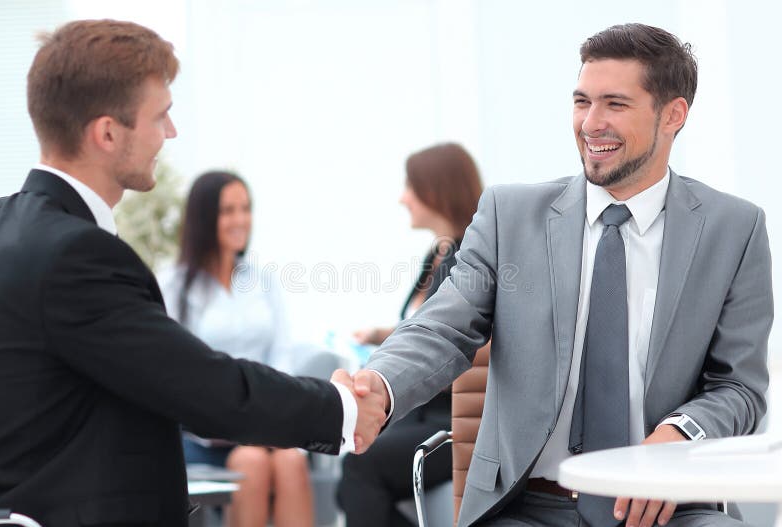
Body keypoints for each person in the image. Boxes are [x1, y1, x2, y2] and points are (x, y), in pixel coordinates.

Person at [341, 23, 772, 527]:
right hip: (531, 508)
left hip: (668, 506)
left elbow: (739, 386)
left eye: (615, 104)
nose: (591, 123)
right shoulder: (509, 216)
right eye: (581, 102)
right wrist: (379, 384)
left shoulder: (734, 229)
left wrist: (679, 434)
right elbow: (442, 327)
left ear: (673, 115)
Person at [0, 19, 386, 527]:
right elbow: (201, 385)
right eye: (160, 116)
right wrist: (341, 409)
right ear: (107, 133)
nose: (170, 132)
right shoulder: (75, 253)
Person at [338, 143, 484, 527]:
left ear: (434, 190)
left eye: (409, 186)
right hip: (419, 411)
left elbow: (459, 341)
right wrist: (379, 335)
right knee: (350, 468)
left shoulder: (468, 260)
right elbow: (433, 327)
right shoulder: (438, 254)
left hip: (451, 419)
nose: (402, 198)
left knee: (360, 468)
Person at [159, 171, 314, 527]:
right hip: (204, 434)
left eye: (245, 208)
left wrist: (275, 413)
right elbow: (174, 372)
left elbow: (282, 353)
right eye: (228, 210)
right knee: (251, 463)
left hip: (264, 421)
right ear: (204, 218)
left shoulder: (261, 280)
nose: (240, 219)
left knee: (291, 461)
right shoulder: (174, 285)